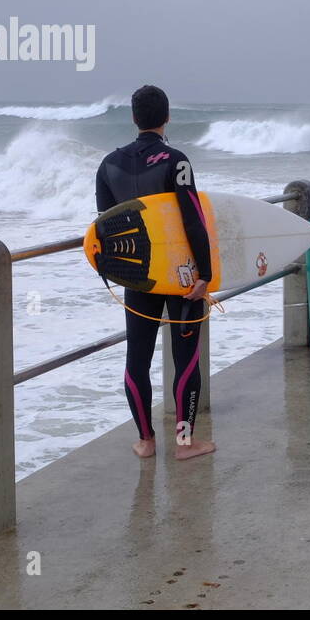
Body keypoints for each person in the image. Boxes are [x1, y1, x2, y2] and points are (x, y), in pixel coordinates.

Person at [95, 85, 215, 460]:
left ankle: (146, 441)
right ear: (167, 117)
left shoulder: (108, 165)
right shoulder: (175, 160)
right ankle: (184, 443)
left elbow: (106, 229)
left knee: (137, 358)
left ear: (134, 118)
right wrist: (205, 273)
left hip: (139, 277)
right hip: (181, 277)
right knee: (186, 358)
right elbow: (193, 220)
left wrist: (118, 275)